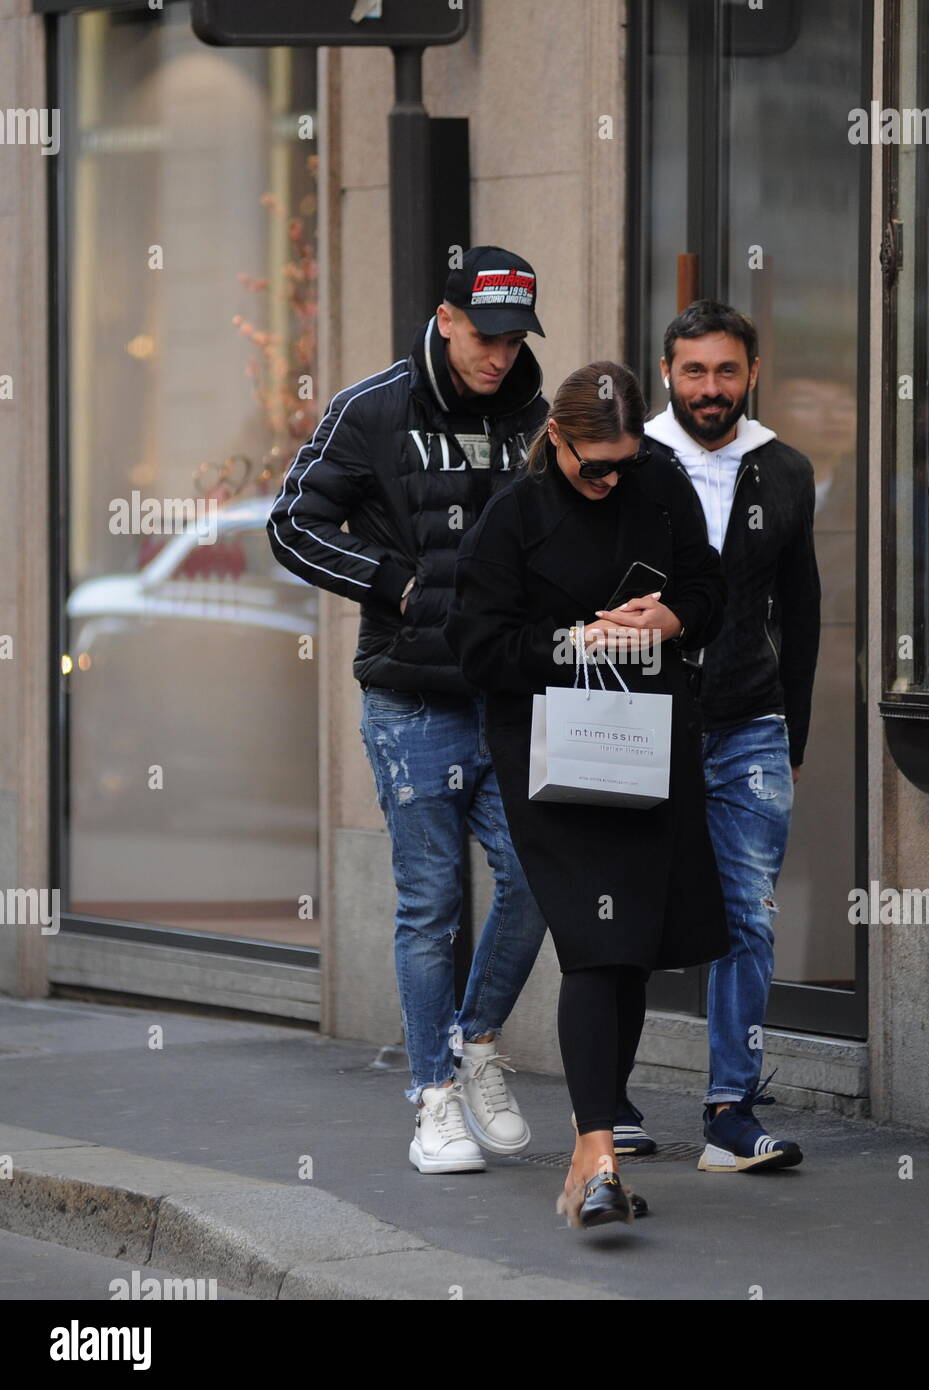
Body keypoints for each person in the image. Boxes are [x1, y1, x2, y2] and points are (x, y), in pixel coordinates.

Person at [267, 247, 552, 1174]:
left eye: (515, 341)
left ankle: (474, 1045)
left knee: (538, 878)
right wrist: (393, 585)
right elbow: (290, 524)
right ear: (443, 316)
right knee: (430, 905)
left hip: (507, 697)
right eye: (485, 336)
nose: (500, 357)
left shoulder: (533, 418)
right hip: (411, 702)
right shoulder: (373, 407)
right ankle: (431, 1098)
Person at [445, 361, 729, 1228]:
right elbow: (478, 648)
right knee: (597, 942)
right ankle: (598, 1148)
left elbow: (711, 589)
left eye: (622, 461)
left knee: (632, 944)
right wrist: (576, 641)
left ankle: (588, 1151)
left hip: (648, 743)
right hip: (552, 757)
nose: (608, 478)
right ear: (557, 440)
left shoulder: (659, 486)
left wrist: (671, 620)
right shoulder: (515, 515)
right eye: (592, 464)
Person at [624, 299, 822, 1173]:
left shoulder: (782, 468)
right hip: (639, 719)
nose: (711, 387)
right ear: (667, 373)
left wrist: (792, 733)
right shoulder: (625, 460)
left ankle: (729, 1111)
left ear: (750, 374)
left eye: (727, 371)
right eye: (694, 370)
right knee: (624, 909)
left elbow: (803, 609)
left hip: (749, 723)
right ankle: (608, 1101)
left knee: (747, 915)